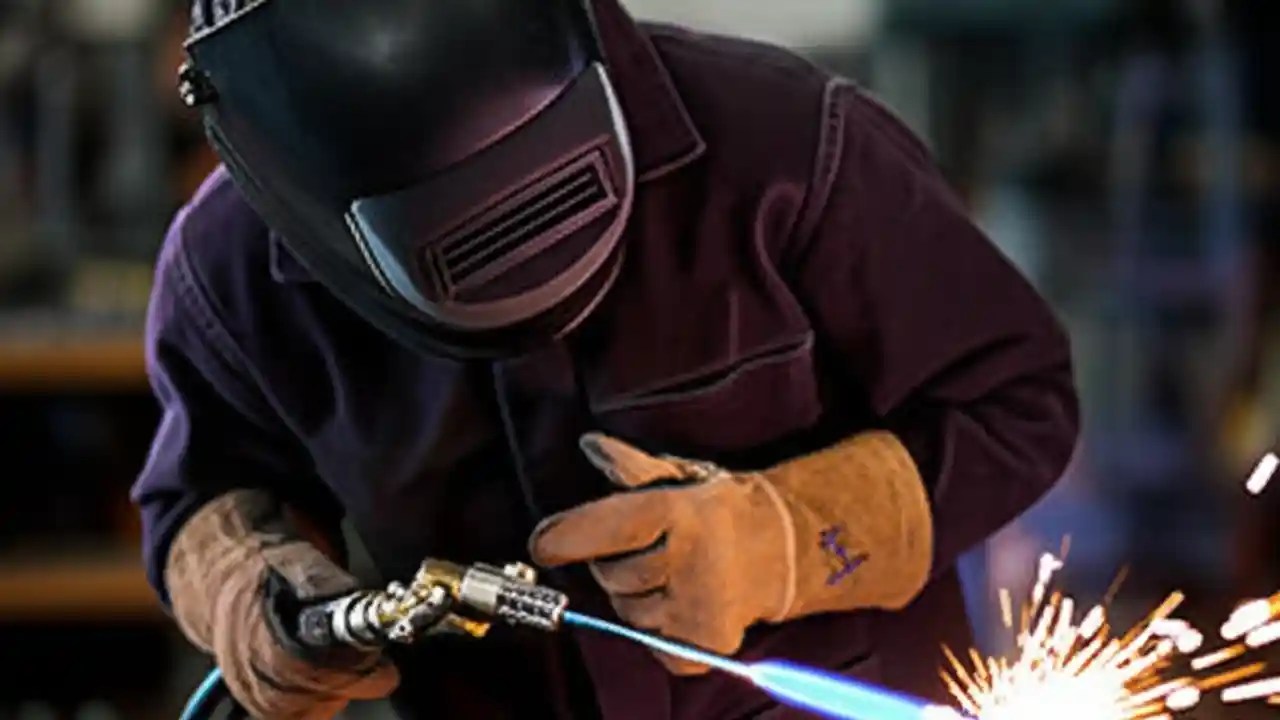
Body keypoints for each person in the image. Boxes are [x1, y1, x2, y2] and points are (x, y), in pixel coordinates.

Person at [132, 1, 1080, 718]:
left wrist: (788, 537)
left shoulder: (790, 148)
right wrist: (249, 590)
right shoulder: (230, 268)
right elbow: (201, 494)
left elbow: (1017, 399)